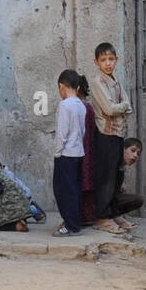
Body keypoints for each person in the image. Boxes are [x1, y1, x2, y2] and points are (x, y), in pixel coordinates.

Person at [90, 41, 133, 235]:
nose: (108, 63)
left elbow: (128, 106)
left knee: (117, 176)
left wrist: (121, 107)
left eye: (111, 59)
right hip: (105, 135)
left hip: (118, 133)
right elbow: (109, 109)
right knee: (105, 178)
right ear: (96, 62)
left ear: (116, 60)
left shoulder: (116, 80)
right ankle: (102, 217)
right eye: (103, 60)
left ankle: (114, 213)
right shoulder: (98, 82)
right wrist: (121, 107)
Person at [52, 69, 86, 235]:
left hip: (66, 155)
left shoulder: (64, 105)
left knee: (63, 191)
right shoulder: (81, 105)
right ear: (78, 87)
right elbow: (83, 131)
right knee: (75, 190)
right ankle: (74, 221)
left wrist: (57, 154)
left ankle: (71, 226)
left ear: (61, 86)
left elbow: (61, 133)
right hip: (79, 153)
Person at [76, 74, 98, 227]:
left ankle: (81, 216)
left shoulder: (79, 107)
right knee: (87, 182)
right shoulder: (89, 107)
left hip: (80, 150)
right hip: (89, 149)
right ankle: (88, 216)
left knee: (79, 183)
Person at [113, 137, 144, 226]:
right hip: (99, 202)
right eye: (132, 150)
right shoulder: (113, 164)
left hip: (110, 201)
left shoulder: (121, 168)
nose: (135, 156)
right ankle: (112, 216)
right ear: (123, 149)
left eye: (138, 154)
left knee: (137, 200)